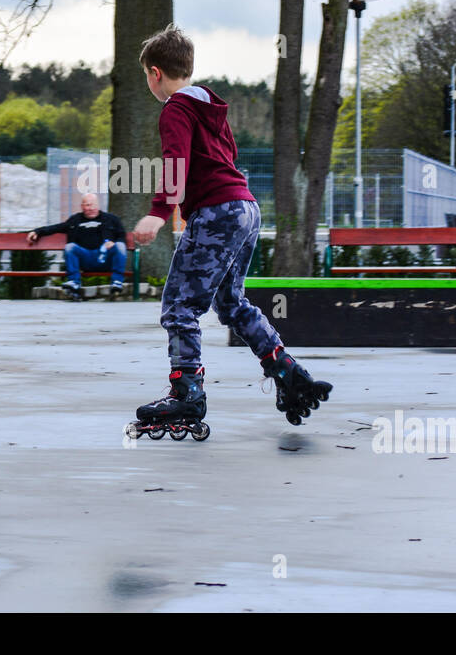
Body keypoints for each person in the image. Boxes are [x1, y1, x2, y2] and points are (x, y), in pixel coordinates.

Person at [127, 24, 331, 435]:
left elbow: (175, 162)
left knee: (179, 305)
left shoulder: (176, 109)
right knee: (231, 302)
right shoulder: (210, 106)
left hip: (218, 212)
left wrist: (158, 211)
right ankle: (286, 371)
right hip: (246, 208)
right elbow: (228, 157)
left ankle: (186, 391)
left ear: (154, 73)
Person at [28, 193, 128, 296]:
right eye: (87, 205)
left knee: (120, 246)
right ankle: (74, 282)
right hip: (84, 259)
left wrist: (113, 243)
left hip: (105, 258)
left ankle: (117, 282)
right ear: (82, 206)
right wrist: (37, 231)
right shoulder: (75, 220)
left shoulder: (111, 219)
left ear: (98, 205)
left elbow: (122, 235)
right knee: (70, 247)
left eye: (93, 205)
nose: (90, 208)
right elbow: (56, 228)